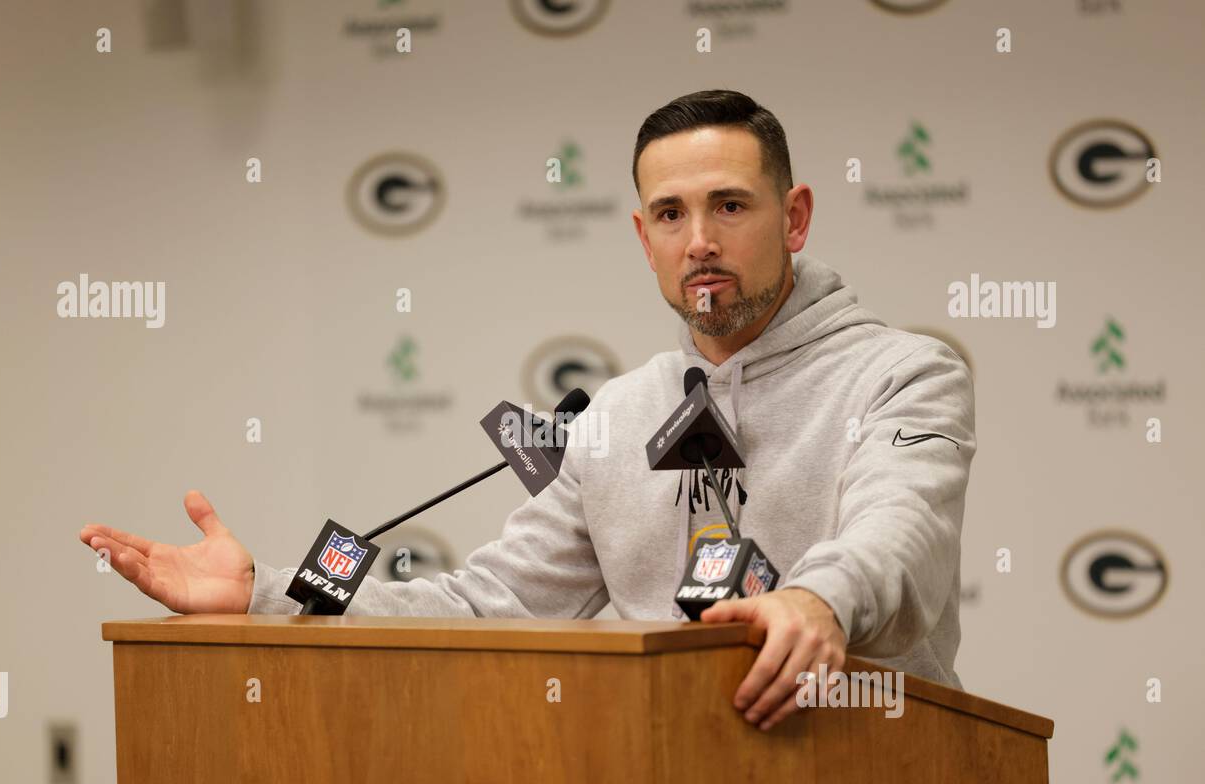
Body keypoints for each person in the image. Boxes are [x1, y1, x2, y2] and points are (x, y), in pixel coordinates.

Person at [80, 89, 975, 733]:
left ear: (796, 216)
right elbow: (488, 603)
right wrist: (262, 593)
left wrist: (820, 599)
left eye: (729, 205)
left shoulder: (904, 374)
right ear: (642, 237)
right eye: (670, 213)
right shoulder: (616, 418)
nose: (698, 240)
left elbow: (897, 533)